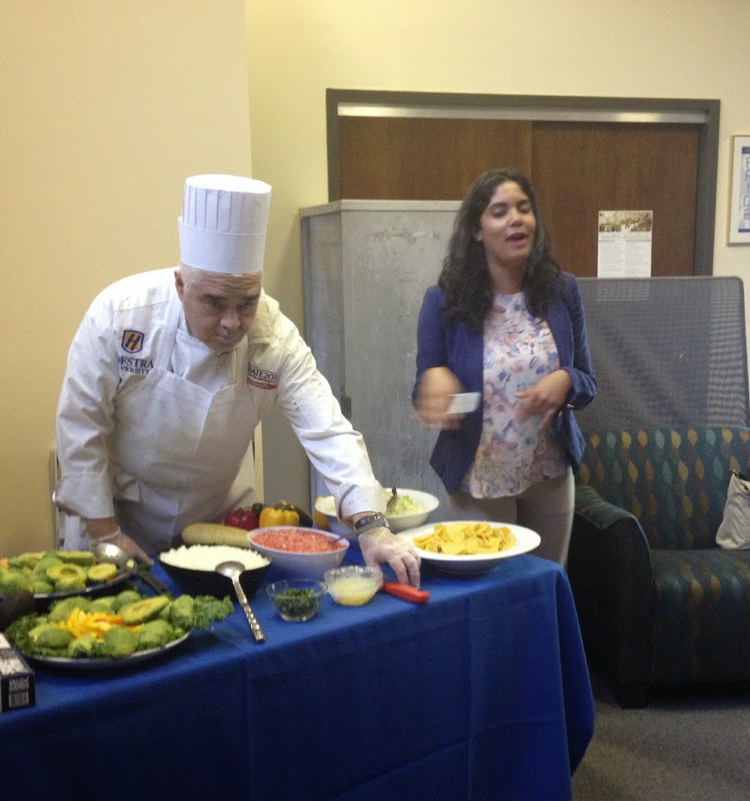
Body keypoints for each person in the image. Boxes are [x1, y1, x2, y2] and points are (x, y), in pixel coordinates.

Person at [55, 174, 420, 585]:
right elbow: (80, 426)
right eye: (214, 302)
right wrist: (105, 531)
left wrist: (372, 526)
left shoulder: (273, 335)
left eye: (247, 303)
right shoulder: (119, 317)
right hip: (114, 516)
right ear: (180, 284)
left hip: (213, 524)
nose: (233, 323)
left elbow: (327, 428)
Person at [414, 168, 596, 566]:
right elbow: (424, 387)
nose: (516, 218)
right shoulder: (443, 301)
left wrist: (566, 380)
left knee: (544, 588)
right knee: (492, 600)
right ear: (476, 230)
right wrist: (435, 384)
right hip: (478, 481)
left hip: (548, 476)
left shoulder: (563, 292)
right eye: (499, 211)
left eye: (523, 208)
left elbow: (588, 380)